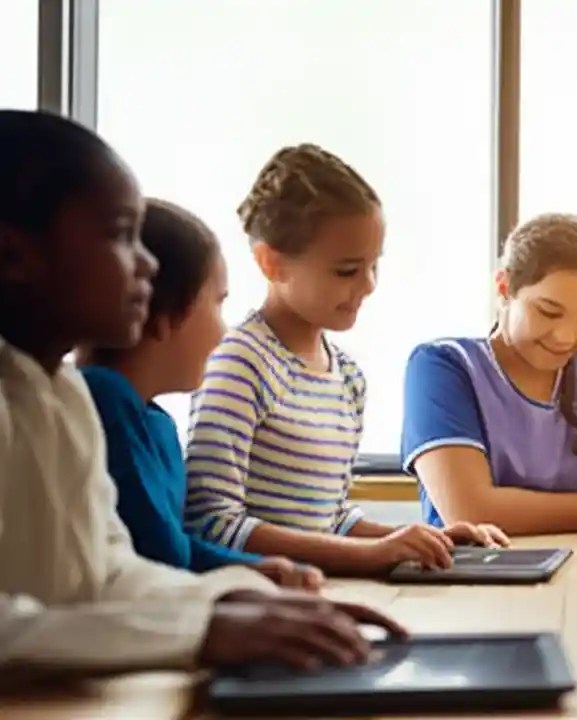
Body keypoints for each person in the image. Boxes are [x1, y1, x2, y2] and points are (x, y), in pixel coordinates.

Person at [0, 110, 402, 672]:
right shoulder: (85, 396)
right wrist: (203, 627)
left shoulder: (60, 394)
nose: (145, 264)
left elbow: (108, 569)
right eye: (119, 235)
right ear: (14, 256)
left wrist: (238, 598)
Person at [184, 144, 505, 576]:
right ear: (271, 263)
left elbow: (328, 520)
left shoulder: (347, 378)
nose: (369, 285)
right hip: (264, 606)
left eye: (374, 266)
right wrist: (371, 555)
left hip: (320, 597)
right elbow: (210, 524)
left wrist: (428, 540)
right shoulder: (239, 363)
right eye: (347, 271)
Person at [79, 198, 321, 588]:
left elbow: (178, 547)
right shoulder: (103, 397)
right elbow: (156, 555)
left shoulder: (155, 422)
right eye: (218, 302)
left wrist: (250, 566)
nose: (224, 331)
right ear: (165, 312)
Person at [401, 213, 577, 534]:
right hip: (476, 570)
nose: (566, 337)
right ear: (504, 287)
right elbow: (470, 512)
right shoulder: (443, 366)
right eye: (548, 312)